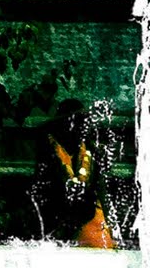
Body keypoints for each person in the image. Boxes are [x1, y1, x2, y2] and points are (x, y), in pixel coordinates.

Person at [32, 99, 119, 249]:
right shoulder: (48, 154)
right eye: (74, 121)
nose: (79, 127)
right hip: (58, 220)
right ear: (63, 125)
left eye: (82, 122)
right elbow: (42, 193)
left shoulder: (93, 154)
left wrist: (114, 229)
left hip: (90, 221)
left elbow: (103, 194)